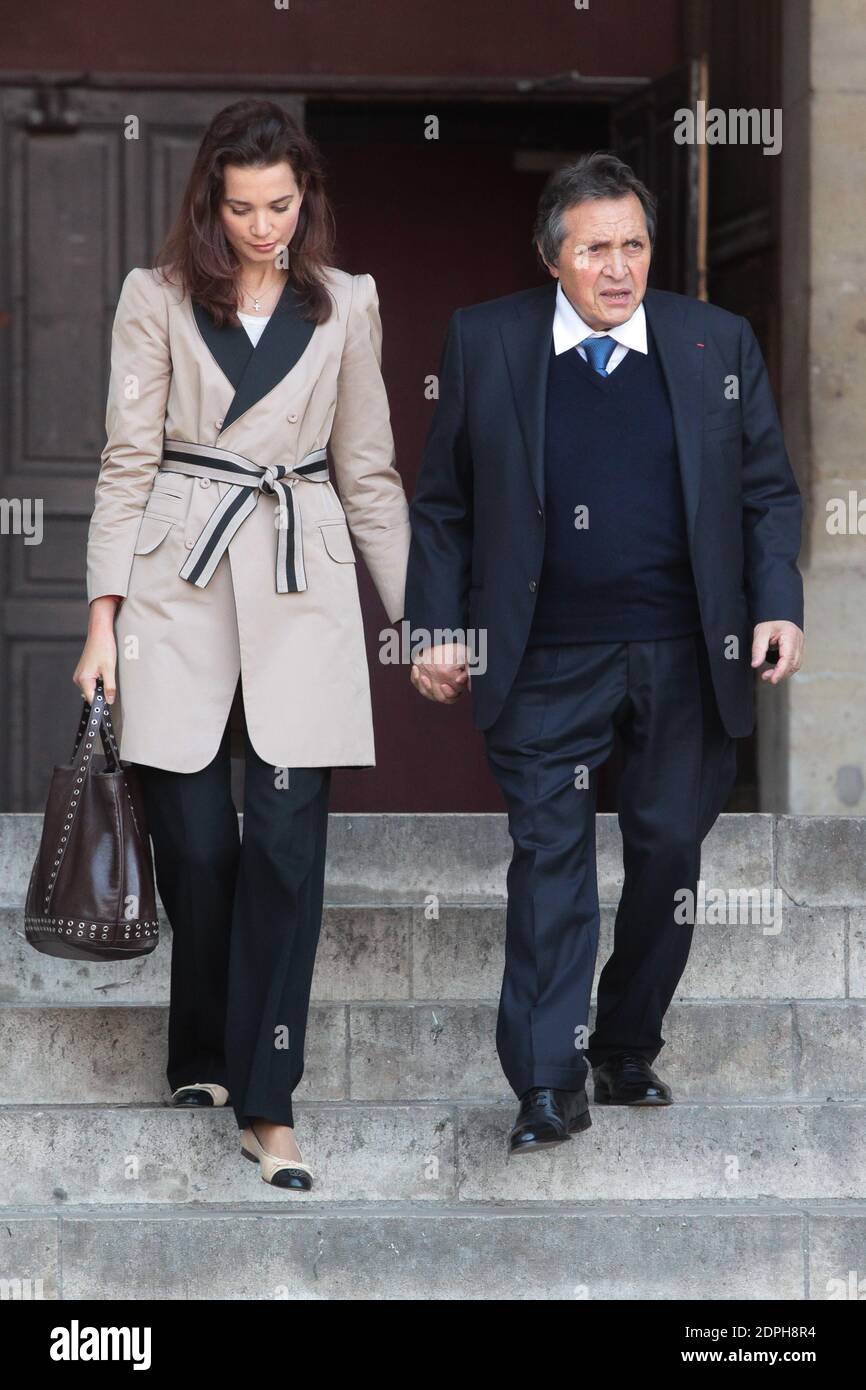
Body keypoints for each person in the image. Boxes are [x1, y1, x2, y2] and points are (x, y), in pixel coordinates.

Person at [404, 151, 804, 1156]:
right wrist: (436, 624)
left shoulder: (715, 340)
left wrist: (776, 605)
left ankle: (622, 1044)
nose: (617, 267)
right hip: (541, 657)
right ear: (553, 257)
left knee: (668, 849)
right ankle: (545, 1079)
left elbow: (765, 491)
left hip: (683, 649)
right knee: (551, 859)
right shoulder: (485, 340)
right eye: (594, 249)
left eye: (632, 245)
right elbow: (444, 503)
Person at [74, 99, 410, 1190]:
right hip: (175, 592)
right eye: (243, 208)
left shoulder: (347, 304)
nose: (266, 226)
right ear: (209, 206)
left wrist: (417, 618)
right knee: (200, 852)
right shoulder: (155, 297)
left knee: (283, 851)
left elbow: (365, 473)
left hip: (298, 589)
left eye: (282, 204)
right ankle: (199, 1044)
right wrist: (102, 620)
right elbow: (127, 464)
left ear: (303, 196)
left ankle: (268, 1101)